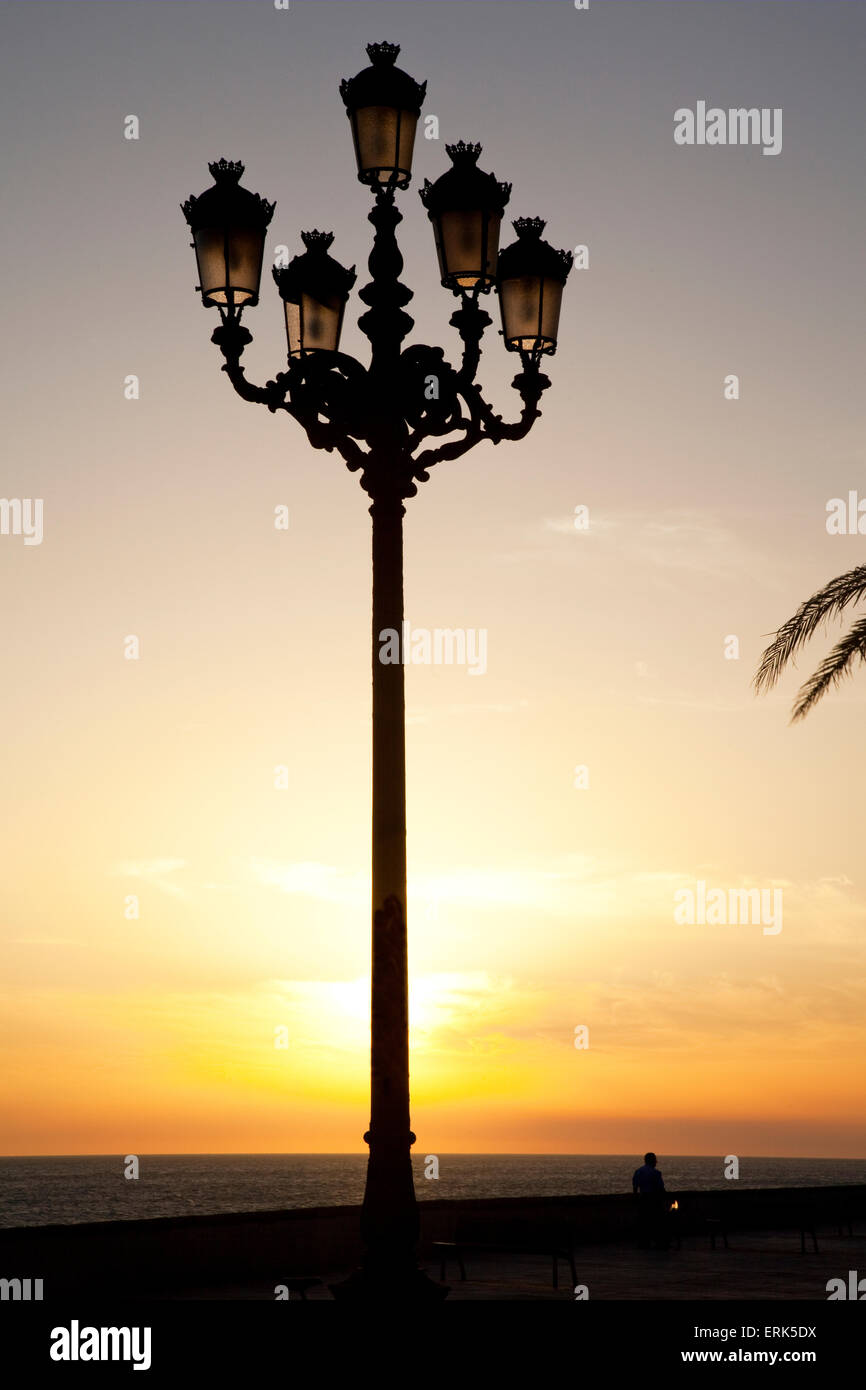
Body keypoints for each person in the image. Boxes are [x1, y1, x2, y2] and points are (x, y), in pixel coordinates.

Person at [632, 1152, 668, 1248]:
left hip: (643, 1199)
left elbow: (635, 1187)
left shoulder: (638, 1171)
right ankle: (659, 1242)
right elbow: (661, 1188)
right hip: (654, 1200)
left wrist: (636, 1199)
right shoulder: (656, 1173)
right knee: (656, 1222)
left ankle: (644, 1242)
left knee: (643, 1222)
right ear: (653, 1161)